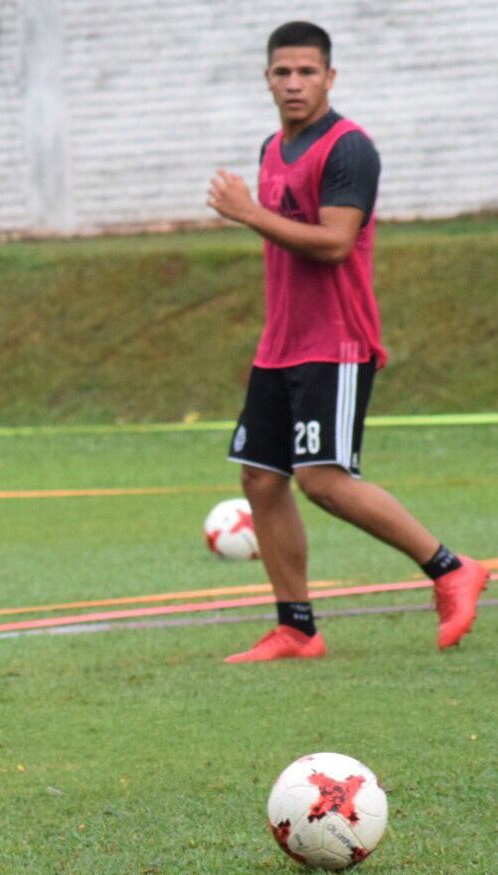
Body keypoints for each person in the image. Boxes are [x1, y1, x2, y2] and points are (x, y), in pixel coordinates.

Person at [206, 21, 487, 663]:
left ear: (330, 77)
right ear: (267, 78)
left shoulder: (349, 149)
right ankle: (298, 627)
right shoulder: (272, 148)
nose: (295, 83)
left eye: (307, 71)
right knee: (260, 479)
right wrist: (257, 213)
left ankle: (450, 568)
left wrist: (248, 213)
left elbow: (334, 243)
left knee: (323, 480)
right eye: (283, 72)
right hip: (281, 344)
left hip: (335, 340)